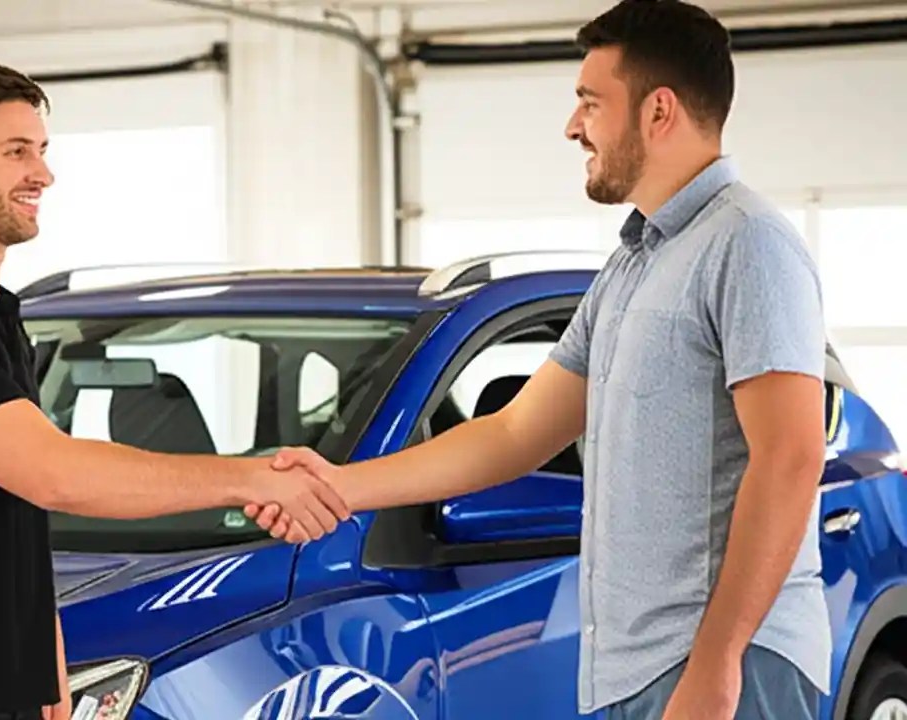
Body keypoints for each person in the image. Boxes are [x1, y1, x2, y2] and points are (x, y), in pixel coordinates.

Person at [248, 1, 831, 718]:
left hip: (723, 668)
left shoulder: (748, 244)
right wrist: (341, 486)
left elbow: (792, 457)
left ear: (659, 111)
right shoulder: (632, 267)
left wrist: (718, 663)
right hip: (635, 669)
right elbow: (513, 434)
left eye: (590, 102)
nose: (572, 126)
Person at [0, 60, 349, 720]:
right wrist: (251, 479)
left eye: (41, 151)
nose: (41, 173)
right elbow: (55, 475)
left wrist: (44, 661)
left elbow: (10, 510)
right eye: (16, 152)